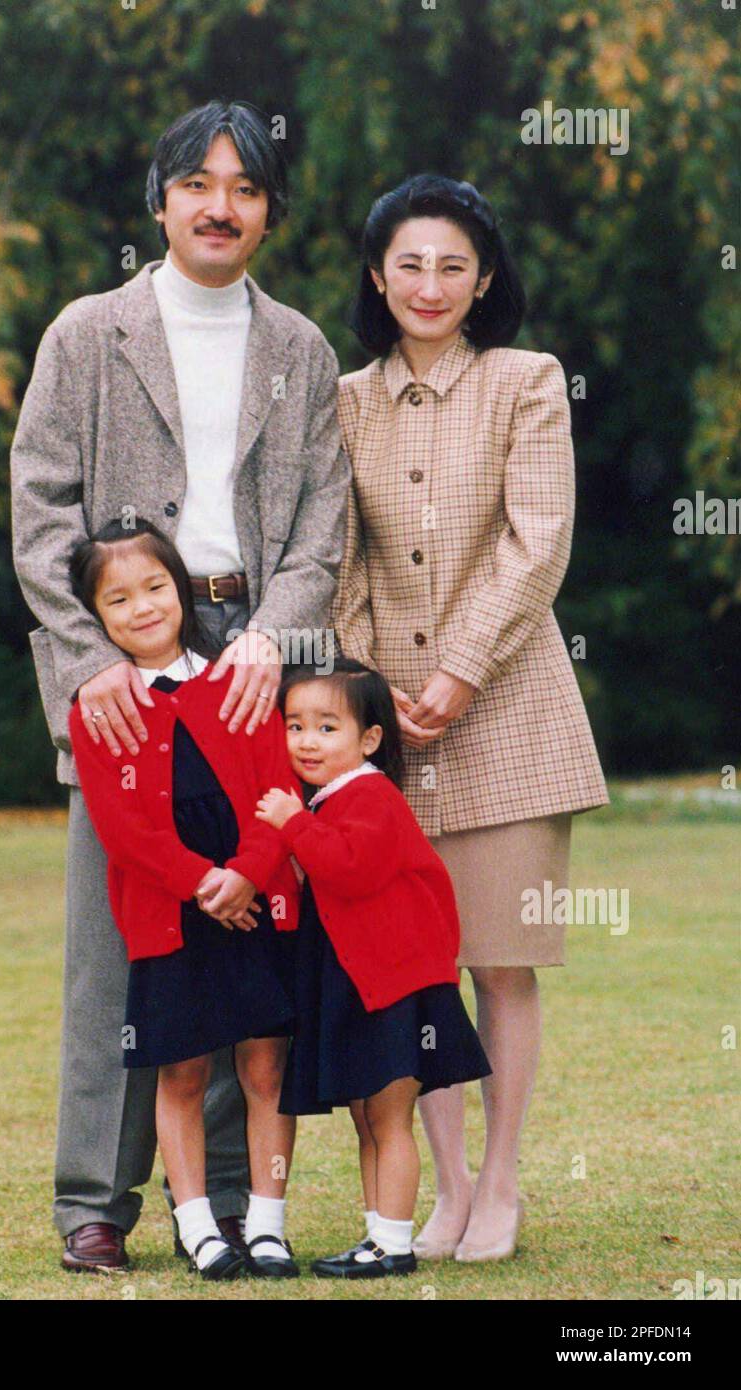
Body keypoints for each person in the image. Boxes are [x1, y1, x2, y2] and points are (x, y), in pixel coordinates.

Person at [9, 99, 350, 1272]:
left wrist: (279, 634)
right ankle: (93, 1200)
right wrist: (92, 660)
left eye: (246, 188)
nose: (221, 206)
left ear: (267, 212)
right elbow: (40, 514)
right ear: (159, 199)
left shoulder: (300, 350)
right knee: (120, 938)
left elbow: (323, 524)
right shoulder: (87, 334)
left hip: (248, 658)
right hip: (125, 653)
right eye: (198, 184)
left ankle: (222, 1211)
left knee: (241, 923)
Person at [332, 174, 609, 1263]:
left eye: (453, 265)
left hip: (509, 712)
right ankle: (441, 1187)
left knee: (499, 960)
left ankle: (501, 1183)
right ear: (377, 276)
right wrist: (369, 685)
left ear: (483, 277)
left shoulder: (526, 382)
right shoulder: (345, 399)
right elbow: (339, 552)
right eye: (410, 263)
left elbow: (537, 542)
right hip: (386, 730)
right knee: (413, 967)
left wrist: (455, 670)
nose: (431, 284)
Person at [67, 518, 302, 1279]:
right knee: (184, 1071)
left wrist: (249, 872)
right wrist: (206, 885)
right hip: (172, 916)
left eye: (155, 587)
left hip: (257, 902)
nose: (141, 608)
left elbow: (279, 788)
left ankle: (265, 1223)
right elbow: (124, 831)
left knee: (266, 1067)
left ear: (181, 587)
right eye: (118, 599)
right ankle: (197, 1223)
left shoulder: (238, 683)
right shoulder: (99, 710)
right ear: (96, 618)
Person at [254, 660, 491, 1279]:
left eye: (327, 727)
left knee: (388, 1117)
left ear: (369, 739)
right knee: (371, 1117)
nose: (307, 741)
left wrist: (292, 822)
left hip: (397, 987)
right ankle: (381, 1237)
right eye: (295, 725)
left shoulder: (370, 795)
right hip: (367, 985)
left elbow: (349, 868)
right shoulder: (334, 796)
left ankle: (393, 1246)